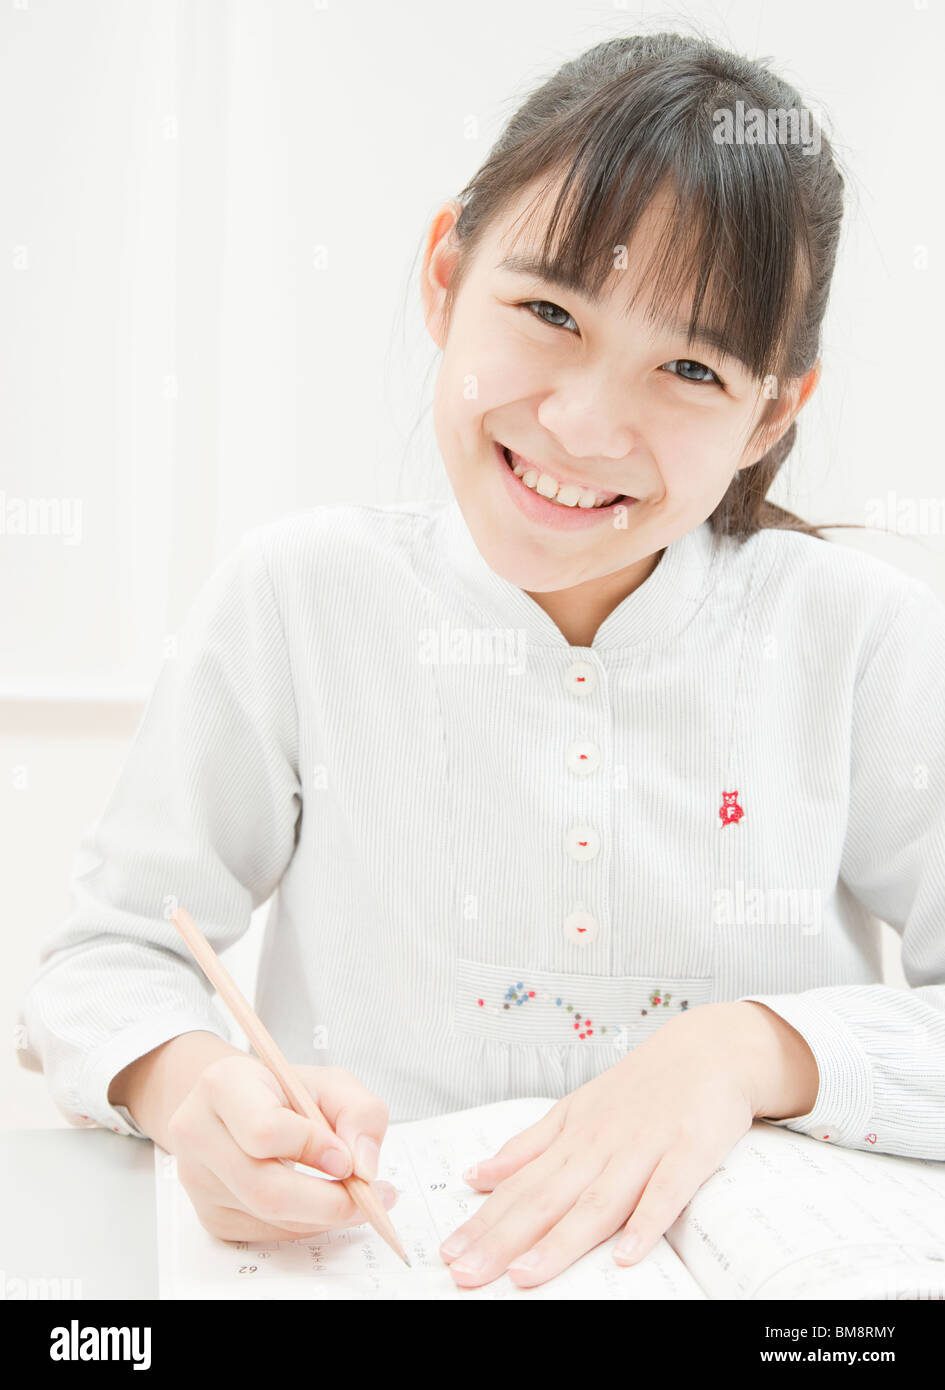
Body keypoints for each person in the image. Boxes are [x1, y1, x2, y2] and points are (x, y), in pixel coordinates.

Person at [18, 32, 945, 1291]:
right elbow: (105, 957)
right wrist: (196, 1093)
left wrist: (742, 1050)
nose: (583, 424)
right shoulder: (301, 599)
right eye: (550, 312)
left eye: (688, 366)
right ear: (448, 276)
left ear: (770, 412)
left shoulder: (858, 637)